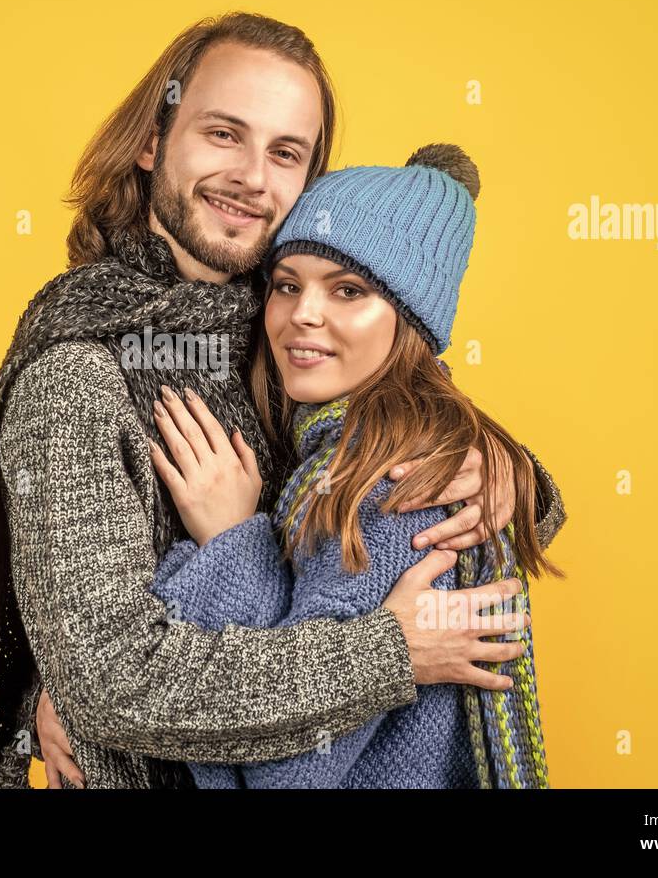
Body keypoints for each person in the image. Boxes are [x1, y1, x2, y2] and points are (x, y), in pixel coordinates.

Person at [0, 12, 567, 790]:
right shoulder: (79, 377)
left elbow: (418, 480)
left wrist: (503, 474)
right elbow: (119, 681)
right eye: (223, 134)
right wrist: (390, 652)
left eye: (286, 153)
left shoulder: (289, 337)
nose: (253, 176)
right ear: (153, 142)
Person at [146, 145, 563, 788]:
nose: (302, 314)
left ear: (410, 322)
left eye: (349, 290)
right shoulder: (415, 448)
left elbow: (288, 776)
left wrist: (231, 544)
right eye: (287, 284)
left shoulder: (382, 486)